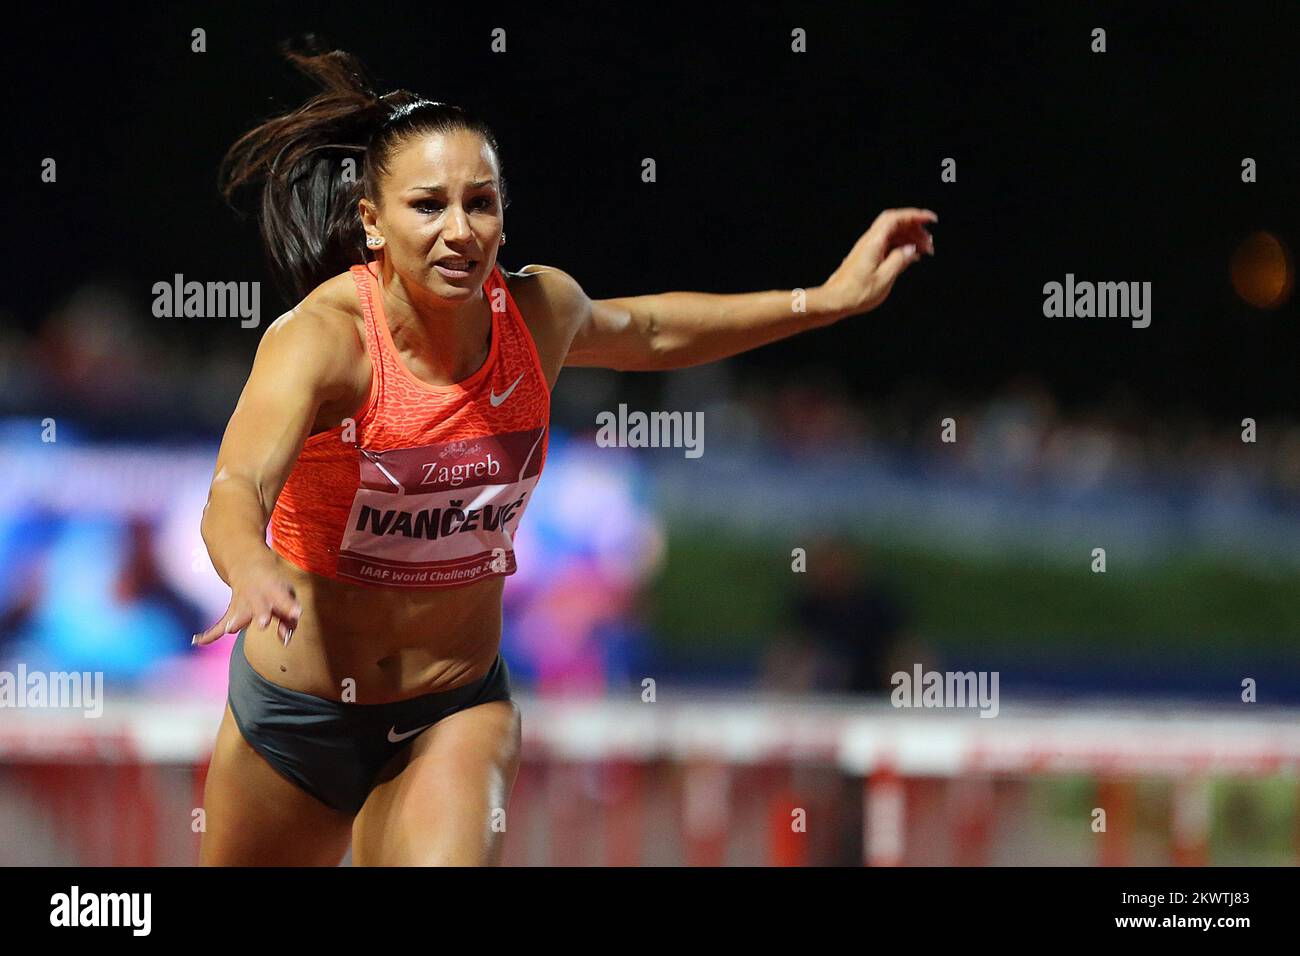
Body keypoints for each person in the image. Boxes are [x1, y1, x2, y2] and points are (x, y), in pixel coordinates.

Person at [194, 44, 936, 866]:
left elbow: (653, 329)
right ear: (372, 222)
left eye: (480, 203)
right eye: (427, 206)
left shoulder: (538, 314)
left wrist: (824, 301)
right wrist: (249, 565)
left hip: (451, 706)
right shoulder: (324, 343)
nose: (459, 230)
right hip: (301, 719)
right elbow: (238, 485)